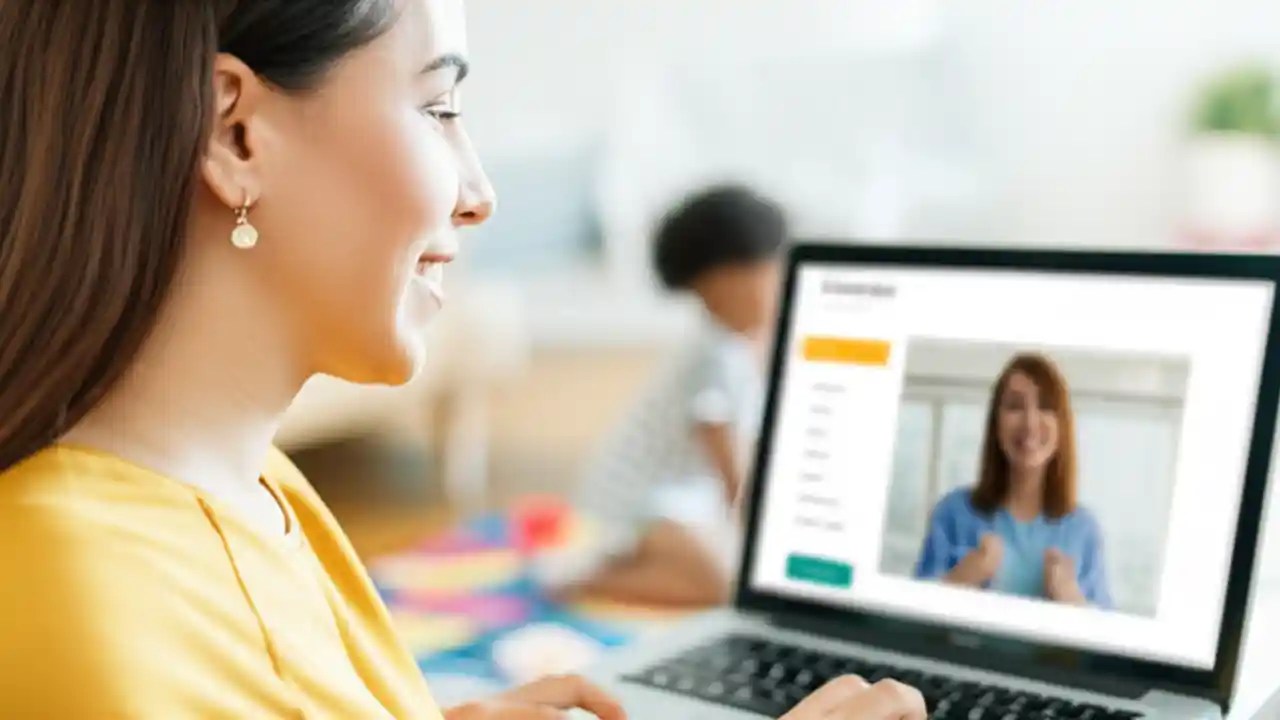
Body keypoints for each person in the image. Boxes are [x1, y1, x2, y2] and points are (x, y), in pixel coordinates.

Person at [0, 2, 925, 718]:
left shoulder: (257, 487)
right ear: (235, 134)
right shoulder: (83, 602)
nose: (479, 193)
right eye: (437, 107)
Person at [567, 186, 783, 607]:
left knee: (717, 572)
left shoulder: (735, 350)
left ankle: (620, 567)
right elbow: (733, 477)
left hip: (680, 501)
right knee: (723, 586)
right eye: (767, 275)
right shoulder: (713, 357)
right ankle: (579, 579)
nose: (778, 289)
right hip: (636, 503)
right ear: (717, 283)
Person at [914, 353, 1113, 609]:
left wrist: (1071, 599)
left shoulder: (1084, 530)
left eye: (1045, 407)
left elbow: (1106, 628)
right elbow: (910, 616)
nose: (1030, 423)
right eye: (1015, 406)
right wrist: (961, 579)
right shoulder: (951, 513)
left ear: (1062, 425)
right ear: (996, 423)